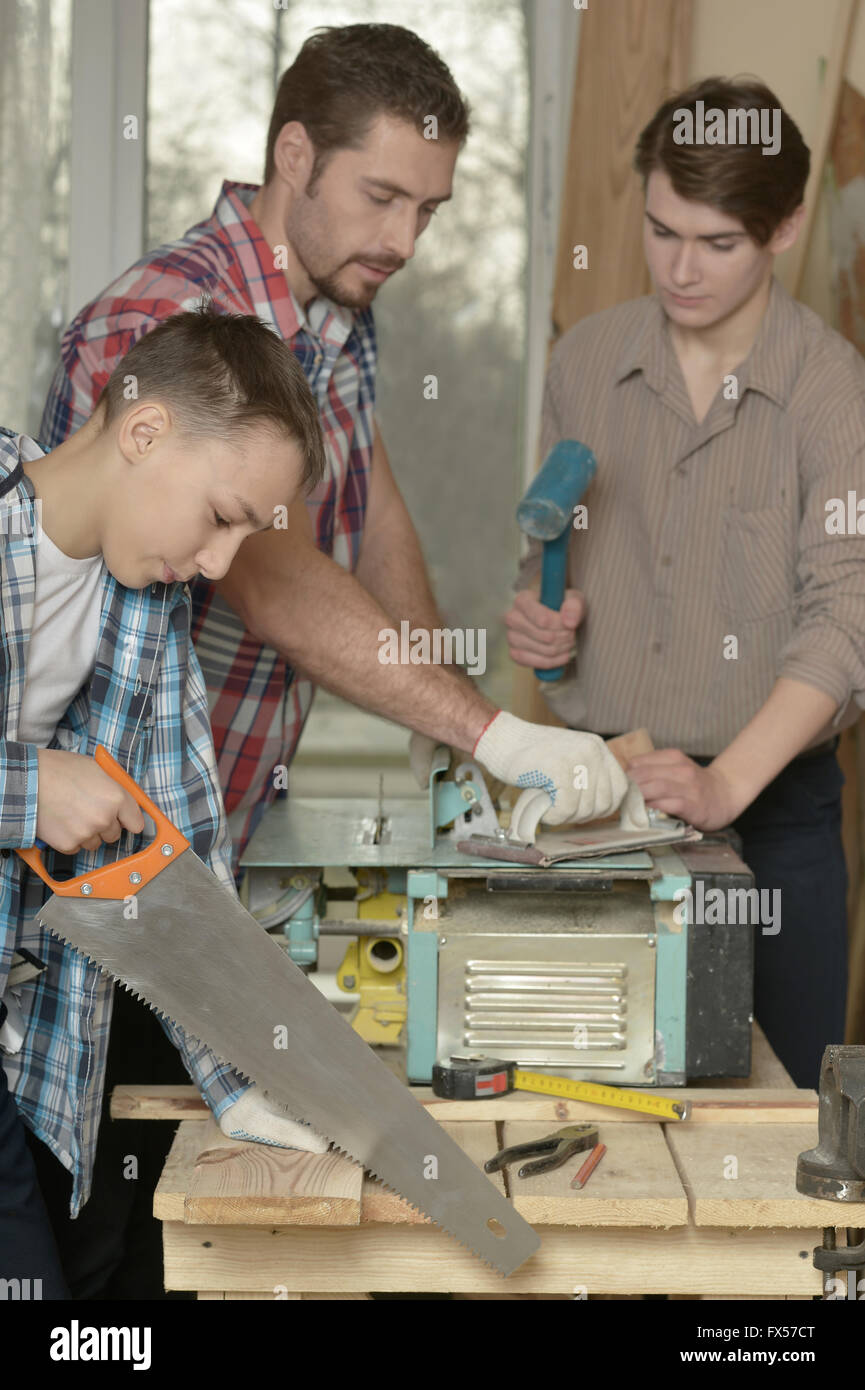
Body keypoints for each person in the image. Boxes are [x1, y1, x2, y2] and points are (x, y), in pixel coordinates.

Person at [40, 22, 625, 870]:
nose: (404, 242)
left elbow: (374, 511)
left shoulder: (338, 311)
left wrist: (446, 719)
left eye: (427, 209)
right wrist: (488, 730)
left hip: (219, 821)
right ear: (295, 155)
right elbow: (274, 579)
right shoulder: (178, 317)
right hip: (98, 833)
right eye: (381, 196)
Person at [505, 77, 865, 1089]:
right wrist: (548, 627)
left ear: (784, 227)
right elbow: (544, 558)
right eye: (662, 231)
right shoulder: (584, 362)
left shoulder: (834, 394)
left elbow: (848, 619)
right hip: (600, 808)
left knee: (789, 1127)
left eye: (716, 244)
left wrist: (721, 786)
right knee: (596, 1103)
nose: (678, 268)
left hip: (772, 815)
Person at [0, 304, 331, 1298]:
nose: (224, 562)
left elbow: (179, 857)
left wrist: (245, 1077)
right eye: (223, 515)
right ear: (145, 434)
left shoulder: (143, 604)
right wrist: (26, 790)